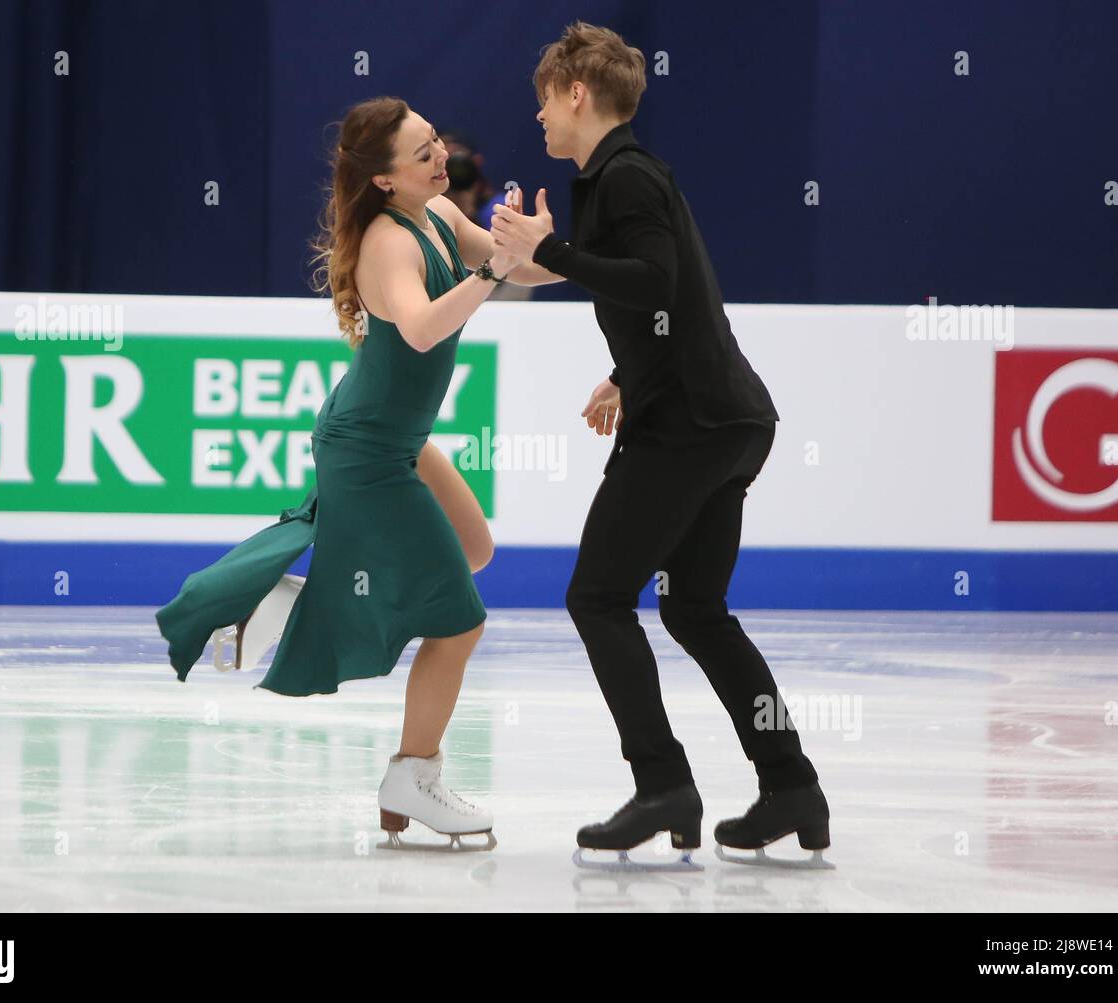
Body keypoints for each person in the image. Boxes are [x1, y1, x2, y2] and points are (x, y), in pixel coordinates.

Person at [155, 96, 549, 851]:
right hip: (366, 448)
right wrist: (496, 272)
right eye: (424, 152)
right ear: (384, 182)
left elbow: (511, 262)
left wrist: (555, 254)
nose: (442, 158)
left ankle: (290, 601)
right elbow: (425, 324)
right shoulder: (386, 244)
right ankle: (413, 774)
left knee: (472, 549)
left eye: (437, 142)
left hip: (396, 438)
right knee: (461, 619)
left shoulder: (436, 218)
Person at [491, 22, 831, 868]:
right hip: (724, 417)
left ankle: (663, 783)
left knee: (597, 595)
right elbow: (662, 302)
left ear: (576, 93)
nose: (537, 116)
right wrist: (624, 370)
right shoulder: (618, 178)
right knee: (694, 608)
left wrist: (557, 254)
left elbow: (655, 282)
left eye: (544, 98)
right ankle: (791, 784)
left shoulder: (627, 178)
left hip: (690, 426)